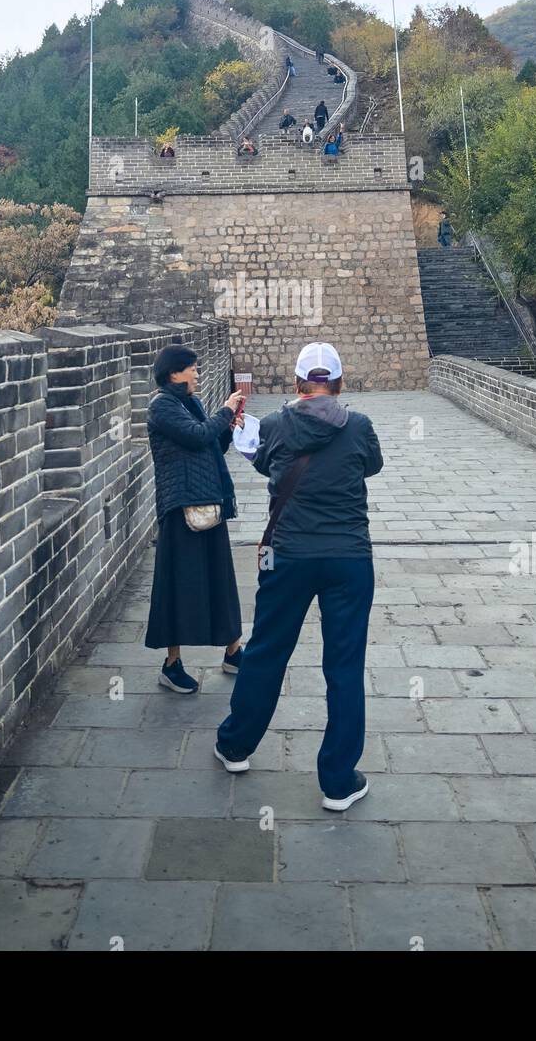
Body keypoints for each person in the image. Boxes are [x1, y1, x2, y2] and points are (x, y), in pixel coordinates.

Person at [214, 343, 383, 811]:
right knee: (344, 668)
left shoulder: (274, 425)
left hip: (285, 556)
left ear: (297, 384)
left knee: (267, 651)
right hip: (349, 559)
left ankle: (235, 747)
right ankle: (337, 781)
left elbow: (266, 462)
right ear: (340, 384)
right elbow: (372, 465)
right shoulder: (360, 425)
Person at [145, 345, 246, 692]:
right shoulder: (161, 407)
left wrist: (229, 424)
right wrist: (224, 412)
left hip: (208, 501)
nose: (198, 374)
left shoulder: (192, 403)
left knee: (219, 577)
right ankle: (171, 664)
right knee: (179, 586)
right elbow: (196, 436)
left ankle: (233, 651)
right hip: (179, 508)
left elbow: (212, 445)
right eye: (192, 368)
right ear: (174, 373)